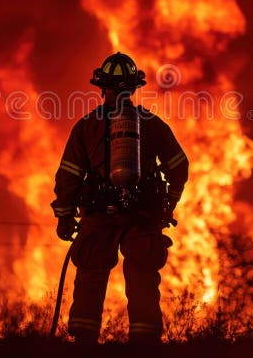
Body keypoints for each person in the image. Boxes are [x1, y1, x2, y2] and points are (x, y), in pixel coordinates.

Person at [51, 52, 189, 344]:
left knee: (90, 275)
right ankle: (144, 344)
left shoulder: (87, 126)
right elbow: (179, 166)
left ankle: (84, 343)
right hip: (143, 217)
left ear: (102, 87)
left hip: (99, 216)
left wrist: (64, 216)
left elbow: (69, 176)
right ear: (135, 87)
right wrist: (169, 204)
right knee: (142, 279)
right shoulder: (152, 124)